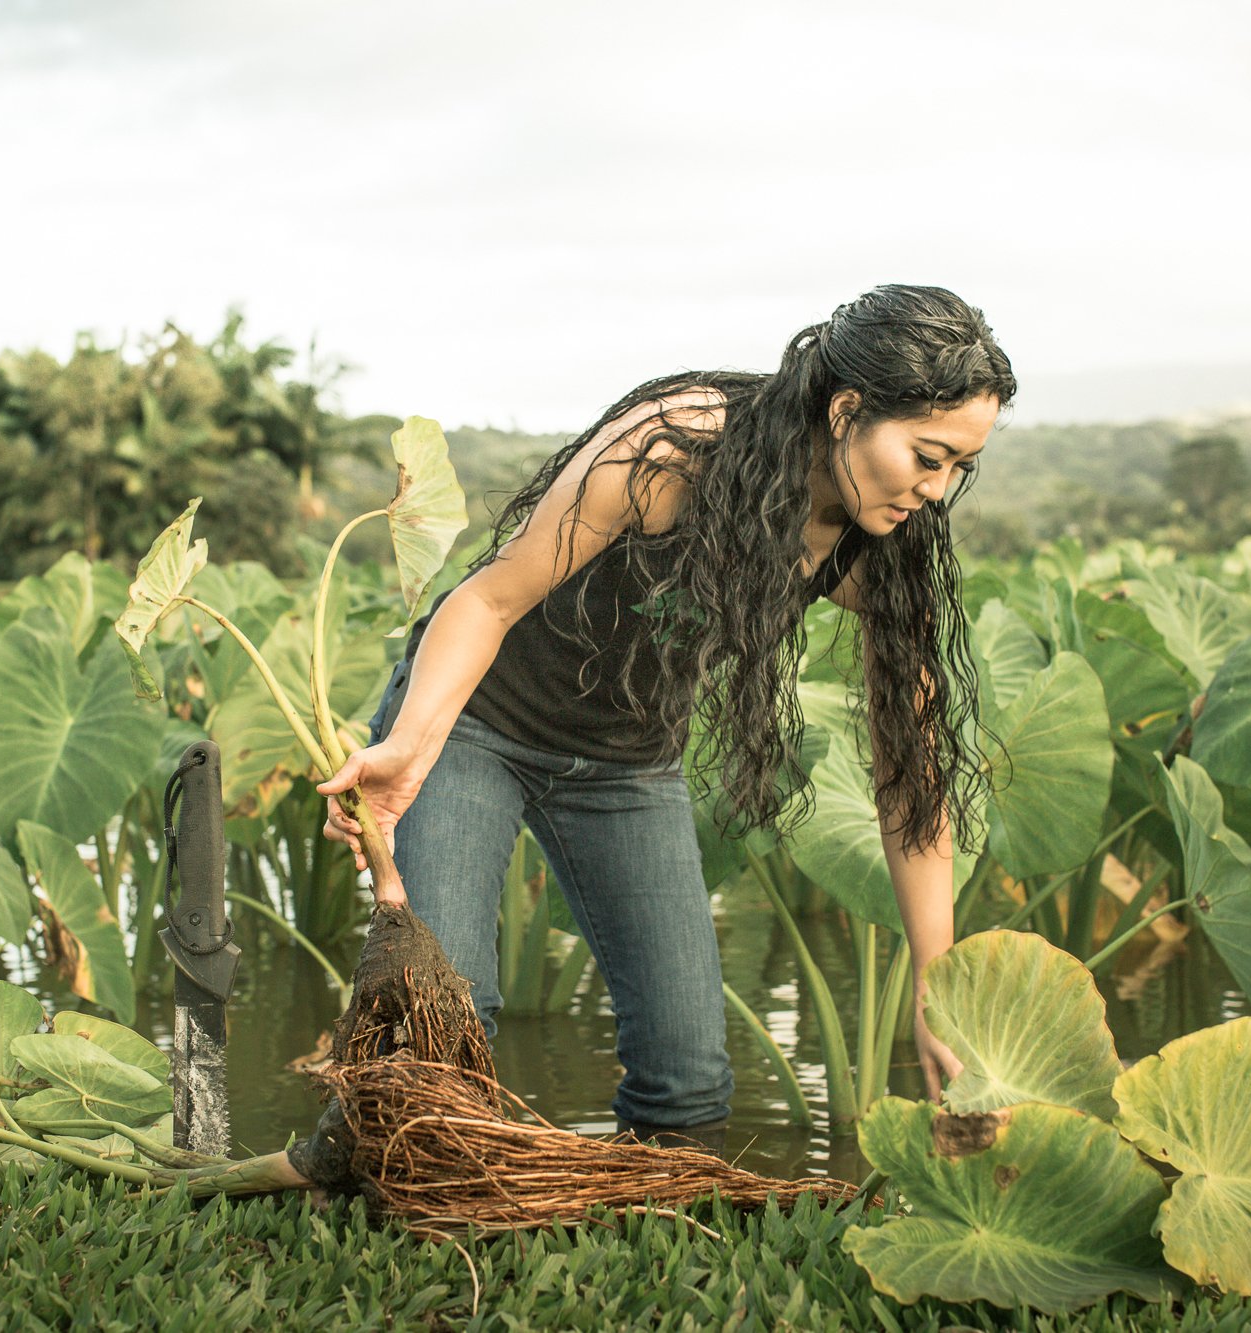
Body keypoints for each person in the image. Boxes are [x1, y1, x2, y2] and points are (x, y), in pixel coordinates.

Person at [318, 284, 1014, 1150]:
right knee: (449, 1018)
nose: (937, 489)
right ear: (845, 410)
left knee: (686, 1078)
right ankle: (419, 1229)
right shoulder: (671, 452)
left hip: (625, 763)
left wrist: (934, 977)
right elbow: (489, 600)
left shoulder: (883, 541)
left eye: (959, 466)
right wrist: (408, 750)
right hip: (479, 726)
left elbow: (912, 772)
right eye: (926, 455)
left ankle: (662, 1238)